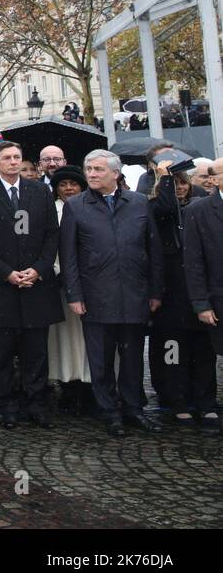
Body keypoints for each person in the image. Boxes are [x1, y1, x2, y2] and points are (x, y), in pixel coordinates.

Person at [60, 149, 164, 436]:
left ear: (115, 174)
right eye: (88, 169)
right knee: (101, 359)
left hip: (135, 293)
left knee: (131, 359)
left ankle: (133, 409)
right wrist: (74, 295)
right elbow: (68, 255)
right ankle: (109, 411)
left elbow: (153, 251)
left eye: (97, 169)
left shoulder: (140, 203)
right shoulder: (76, 206)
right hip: (95, 296)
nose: (91, 174)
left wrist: (155, 291)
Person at [0, 140, 61, 430]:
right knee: (2, 352)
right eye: (6, 158)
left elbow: (51, 235)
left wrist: (39, 269)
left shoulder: (40, 191)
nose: (12, 162)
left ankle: (36, 404)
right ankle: (6, 404)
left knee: (36, 352)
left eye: (17, 157)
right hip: (0, 287)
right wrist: (6, 272)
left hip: (36, 286)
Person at [147, 158, 216, 430]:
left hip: (196, 292)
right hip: (170, 295)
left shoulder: (199, 209)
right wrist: (164, 179)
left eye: (181, 182)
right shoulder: (156, 207)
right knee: (173, 353)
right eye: (172, 183)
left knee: (203, 352)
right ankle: (178, 402)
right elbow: (165, 207)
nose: (178, 188)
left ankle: (206, 402)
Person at [46, 166, 92, 414]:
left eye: (73, 184)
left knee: (88, 341)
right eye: (63, 185)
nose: (68, 189)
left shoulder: (90, 206)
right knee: (64, 340)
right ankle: (68, 384)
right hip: (61, 286)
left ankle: (89, 385)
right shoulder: (51, 210)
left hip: (91, 286)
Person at [183, 158, 223, 397]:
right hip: (218, 297)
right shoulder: (198, 211)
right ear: (214, 179)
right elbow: (194, 262)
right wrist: (201, 303)